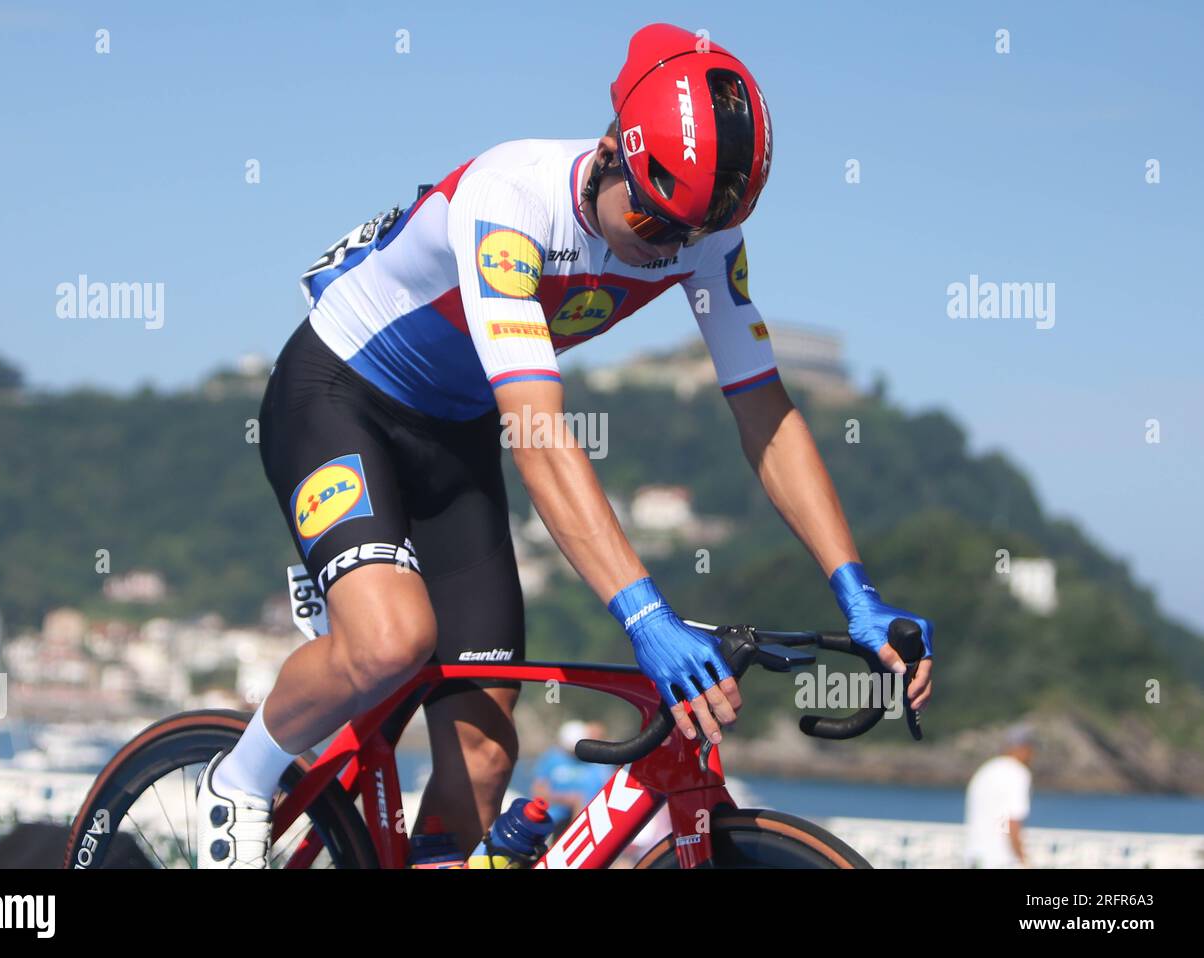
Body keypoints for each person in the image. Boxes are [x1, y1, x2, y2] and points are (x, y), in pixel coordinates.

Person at [196, 22, 935, 868]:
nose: (670, 251)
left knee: (483, 755)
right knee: (392, 640)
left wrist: (856, 590)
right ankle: (240, 782)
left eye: (689, 238)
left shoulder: (701, 228)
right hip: (338, 398)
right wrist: (644, 614)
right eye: (656, 226)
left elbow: (764, 410)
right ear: (620, 150)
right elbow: (540, 433)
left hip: (452, 433)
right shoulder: (512, 204)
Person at [964, 723, 1035, 868]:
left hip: (974, 857)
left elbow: (998, 817)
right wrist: (1024, 861)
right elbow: (1012, 821)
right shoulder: (1017, 773)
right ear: (1021, 748)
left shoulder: (986, 770)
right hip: (998, 860)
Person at [530, 721, 615, 829]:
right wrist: (568, 799)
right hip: (552, 820)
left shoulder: (598, 766)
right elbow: (538, 792)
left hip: (584, 823)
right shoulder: (553, 758)